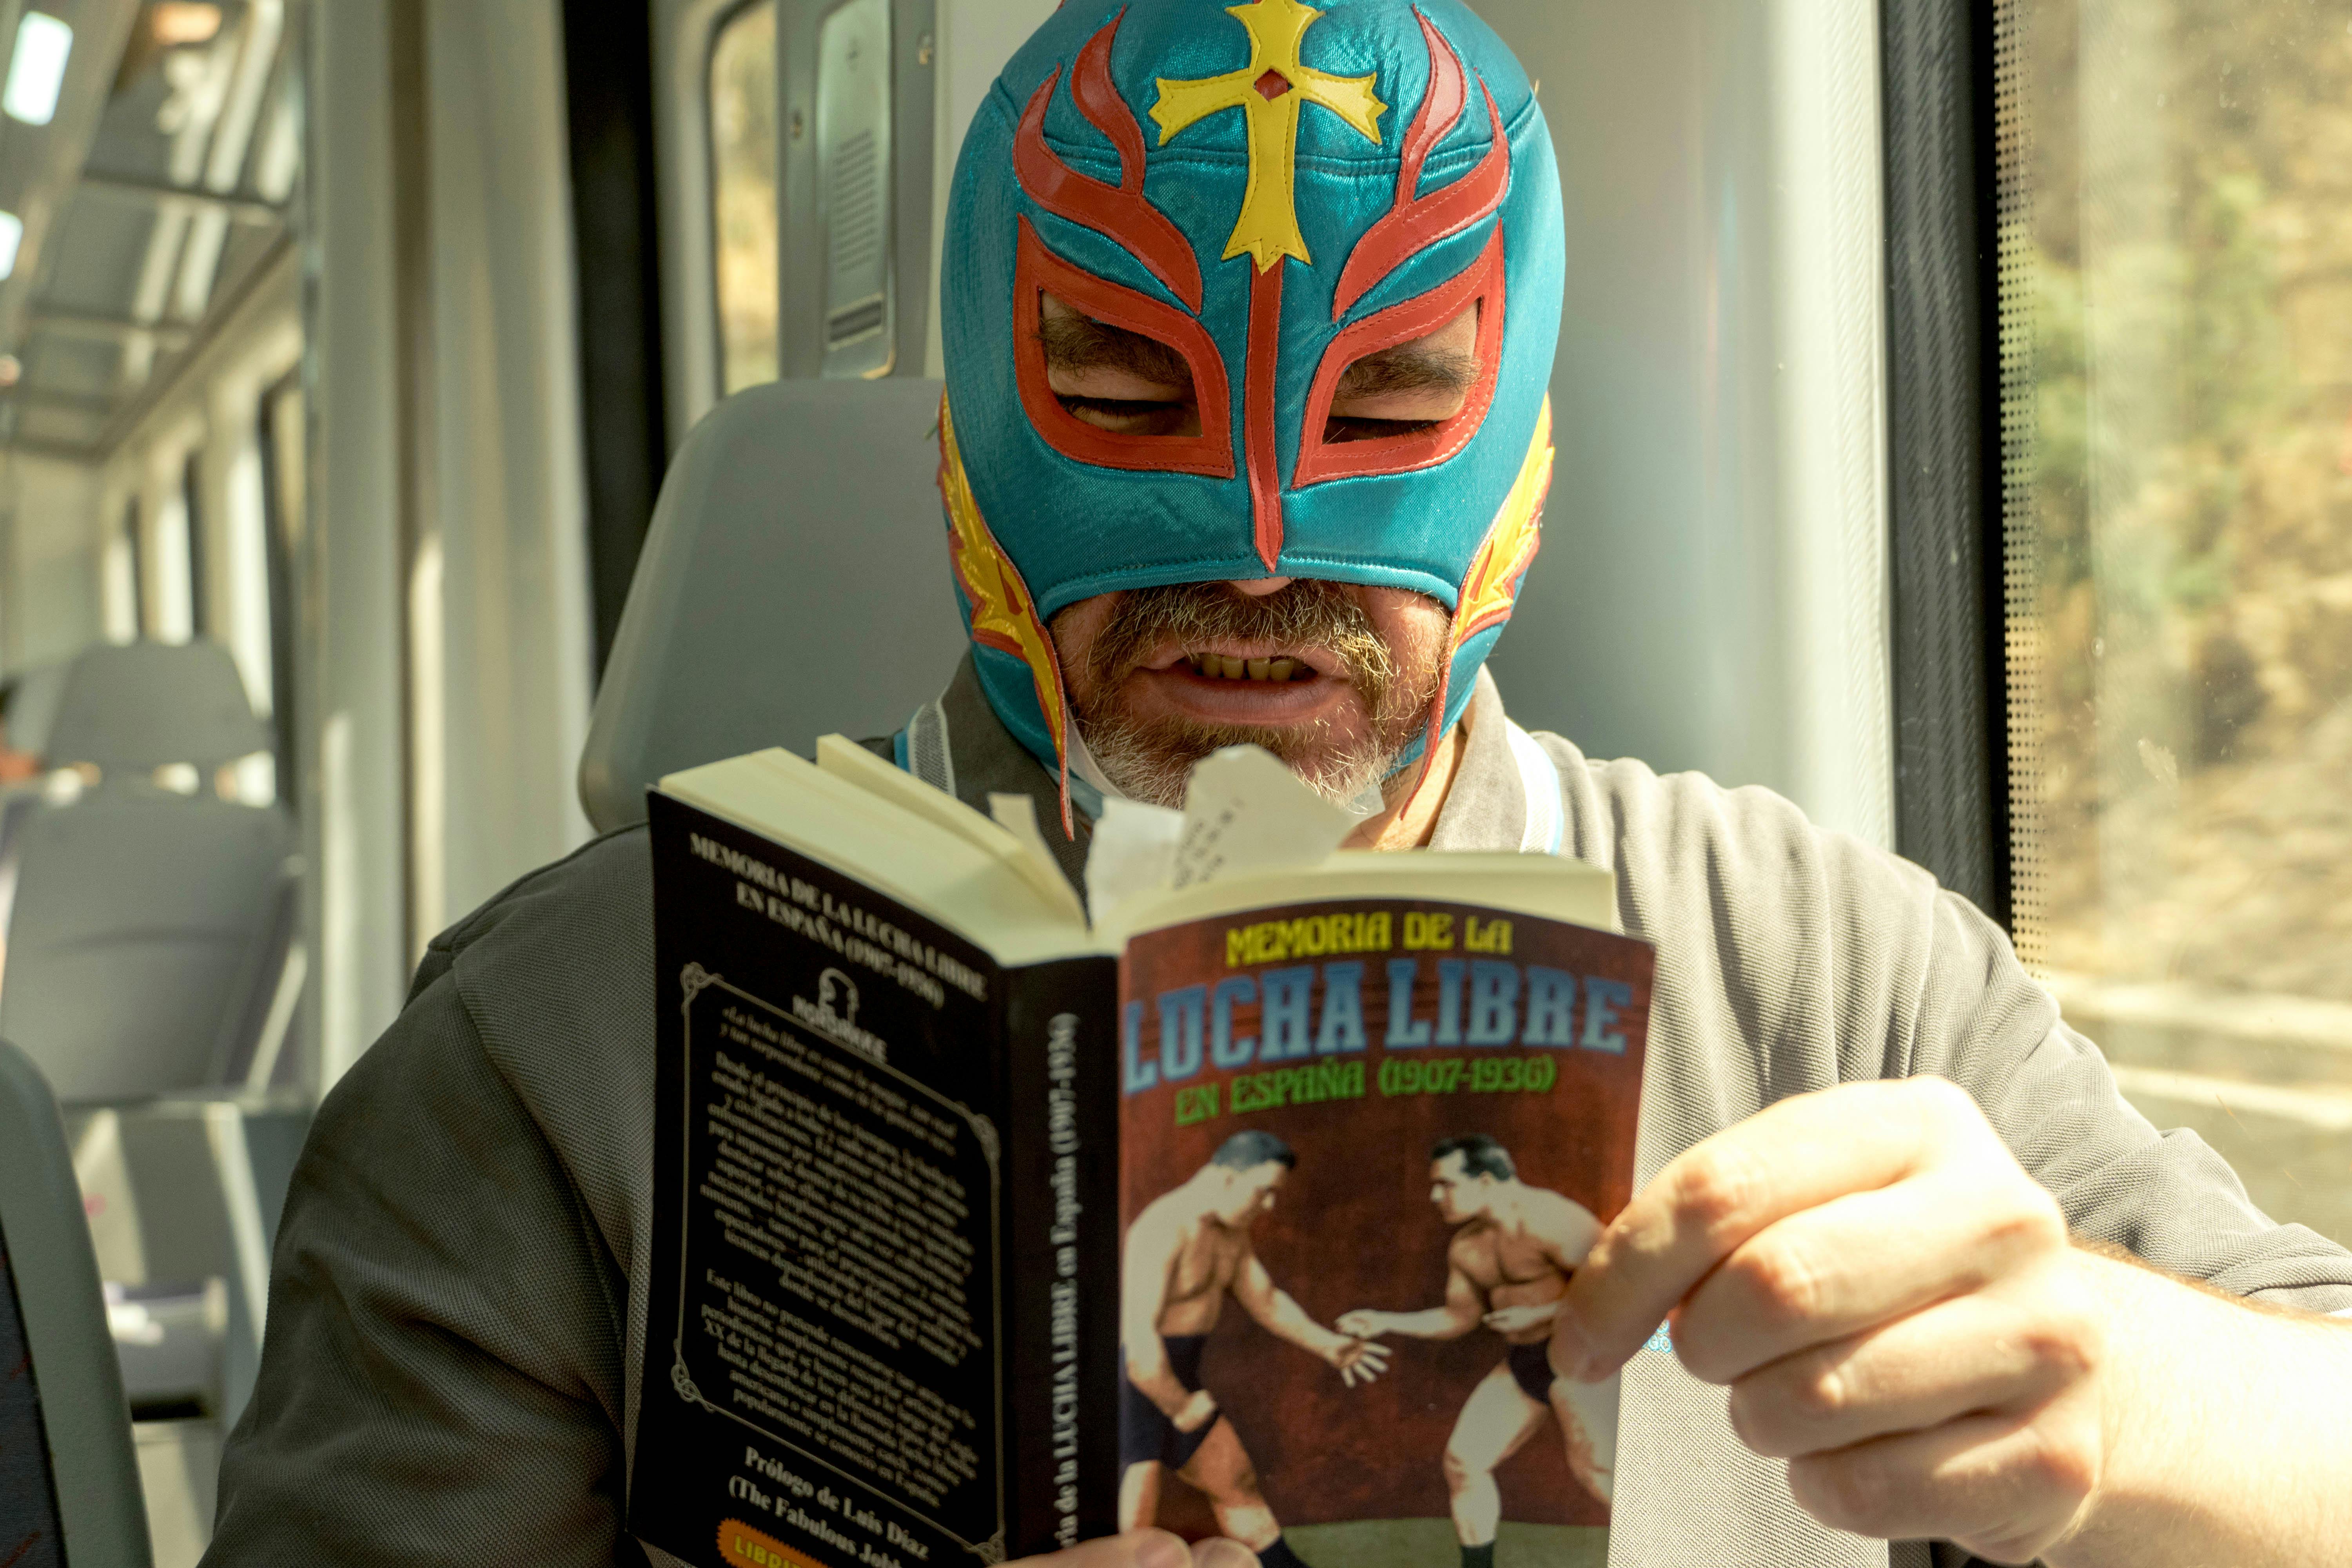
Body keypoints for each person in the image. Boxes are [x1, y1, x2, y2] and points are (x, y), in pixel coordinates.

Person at [204, 2, 2352, 1566]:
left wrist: (2117, 1375)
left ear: (1519, 454)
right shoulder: (556, 1052)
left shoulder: (1820, 966)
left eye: (1394, 396)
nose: (1252, 553)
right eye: (1125, 389)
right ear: (964, 437)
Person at [1338, 1134, 1612, 1561]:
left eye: (1445, 1184)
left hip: (1584, 1359)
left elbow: (1624, 1298)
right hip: (1526, 1363)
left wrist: (1541, 1316)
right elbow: (1458, 1318)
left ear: (1484, 1181)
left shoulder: (1553, 1219)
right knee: (1464, 1461)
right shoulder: (1467, 1246)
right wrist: (1384, 1321)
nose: (1435, 1196)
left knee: (1599, 1473)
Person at [1119, 1132, 1386, 1568]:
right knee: (1133, 1533)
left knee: (1235, 1481)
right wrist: (1178, 1403)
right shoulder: (1164, 1226)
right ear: (1227, 1177)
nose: (1269, 1207)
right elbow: (1138, 1343)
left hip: (1180, 1375)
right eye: (1264, 1192)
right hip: (1139, 1383)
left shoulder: (1229, 1236)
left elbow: (1266, 1300)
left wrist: (1329, 1345)